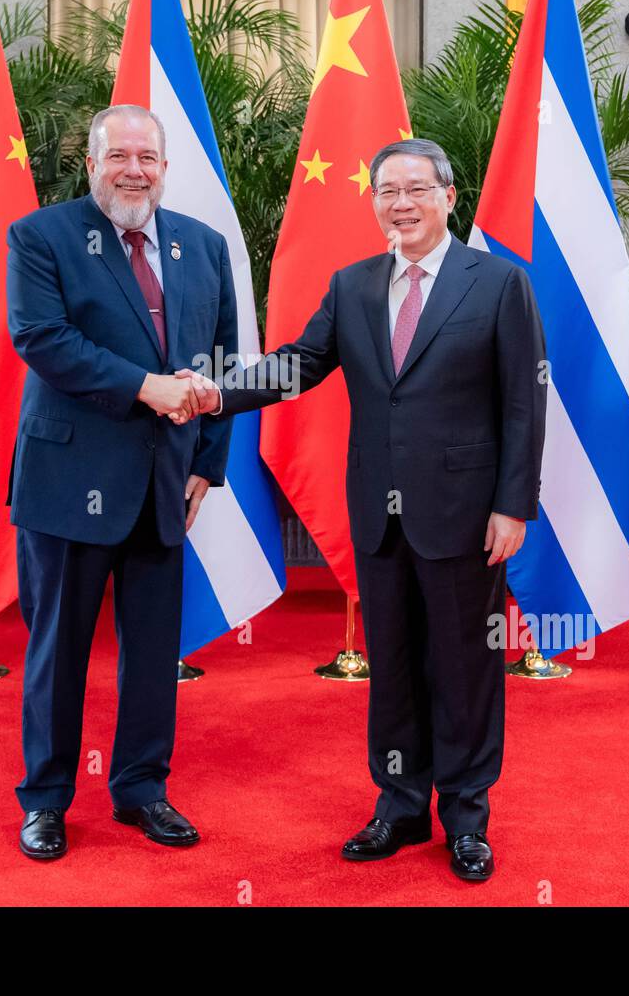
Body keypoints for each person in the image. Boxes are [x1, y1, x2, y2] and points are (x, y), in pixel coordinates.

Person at [176, 138, 546, 882]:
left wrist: (514, 505)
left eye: (416, 189)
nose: (400, 204)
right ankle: (400, 805)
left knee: (466, 667)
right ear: (374, 203)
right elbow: (299, 365)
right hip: (380, 513)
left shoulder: (500, 283)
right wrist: (216, 388)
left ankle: (466, 819)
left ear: (449, 196)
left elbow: (523, 402)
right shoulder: (354, 286)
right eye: (386, 191)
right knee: (397, 665)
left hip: (467, 515)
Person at [5, 104, 237, 860]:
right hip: (69, 480)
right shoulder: (42, 236)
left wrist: (207, 461)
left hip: (165, 484)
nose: (134, 168)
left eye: (148, 156)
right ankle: (45, 800)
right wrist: (147, 386)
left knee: (152, 651)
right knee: (58, 651)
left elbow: (225, 360)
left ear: (165, 168)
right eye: (119, 155)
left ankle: (142, 791)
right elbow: (41, 338)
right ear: (92, 163)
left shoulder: (202, 246)